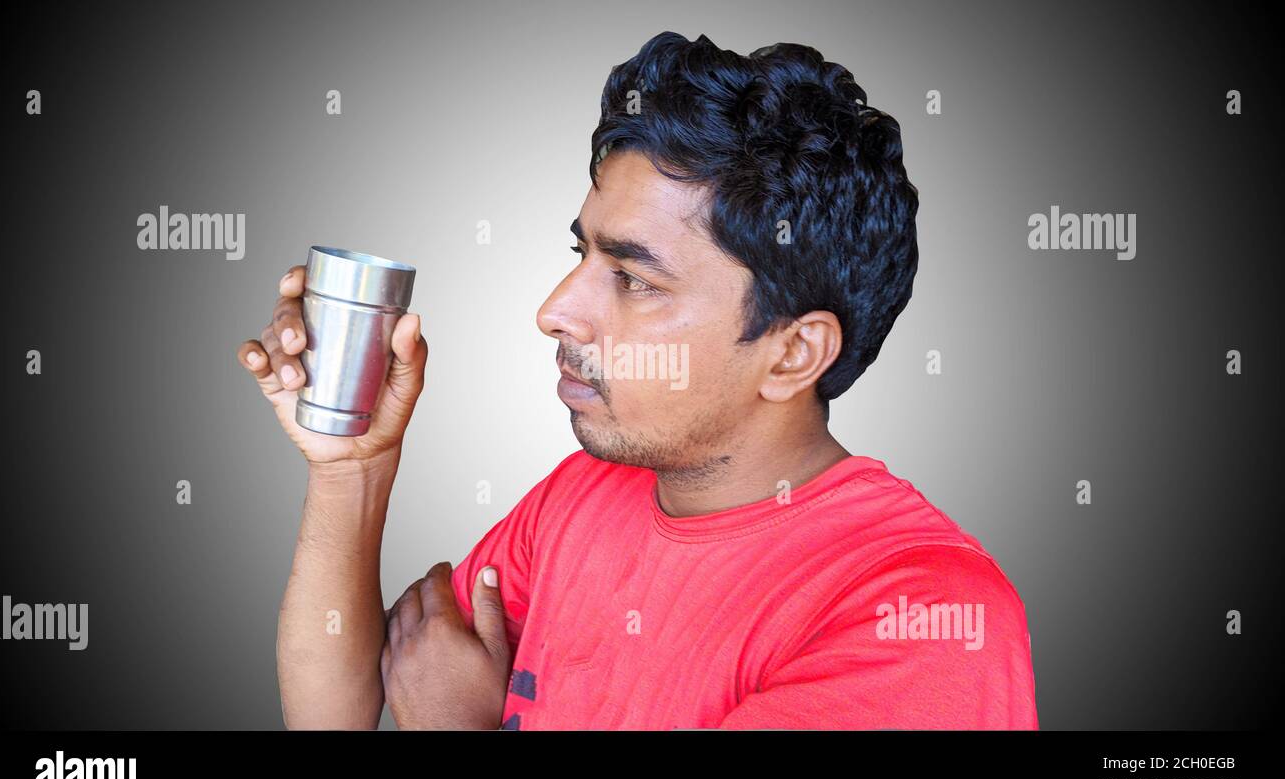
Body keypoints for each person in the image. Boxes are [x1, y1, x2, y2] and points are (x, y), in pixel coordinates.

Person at [238, 31, 1038, 730]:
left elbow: (431, 702)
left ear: (794, 353)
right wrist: (352, 466)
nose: (554, 311)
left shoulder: (920, 617)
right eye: (582, 253)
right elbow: (338, 714)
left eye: (635, 279)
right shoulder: (583, 496)